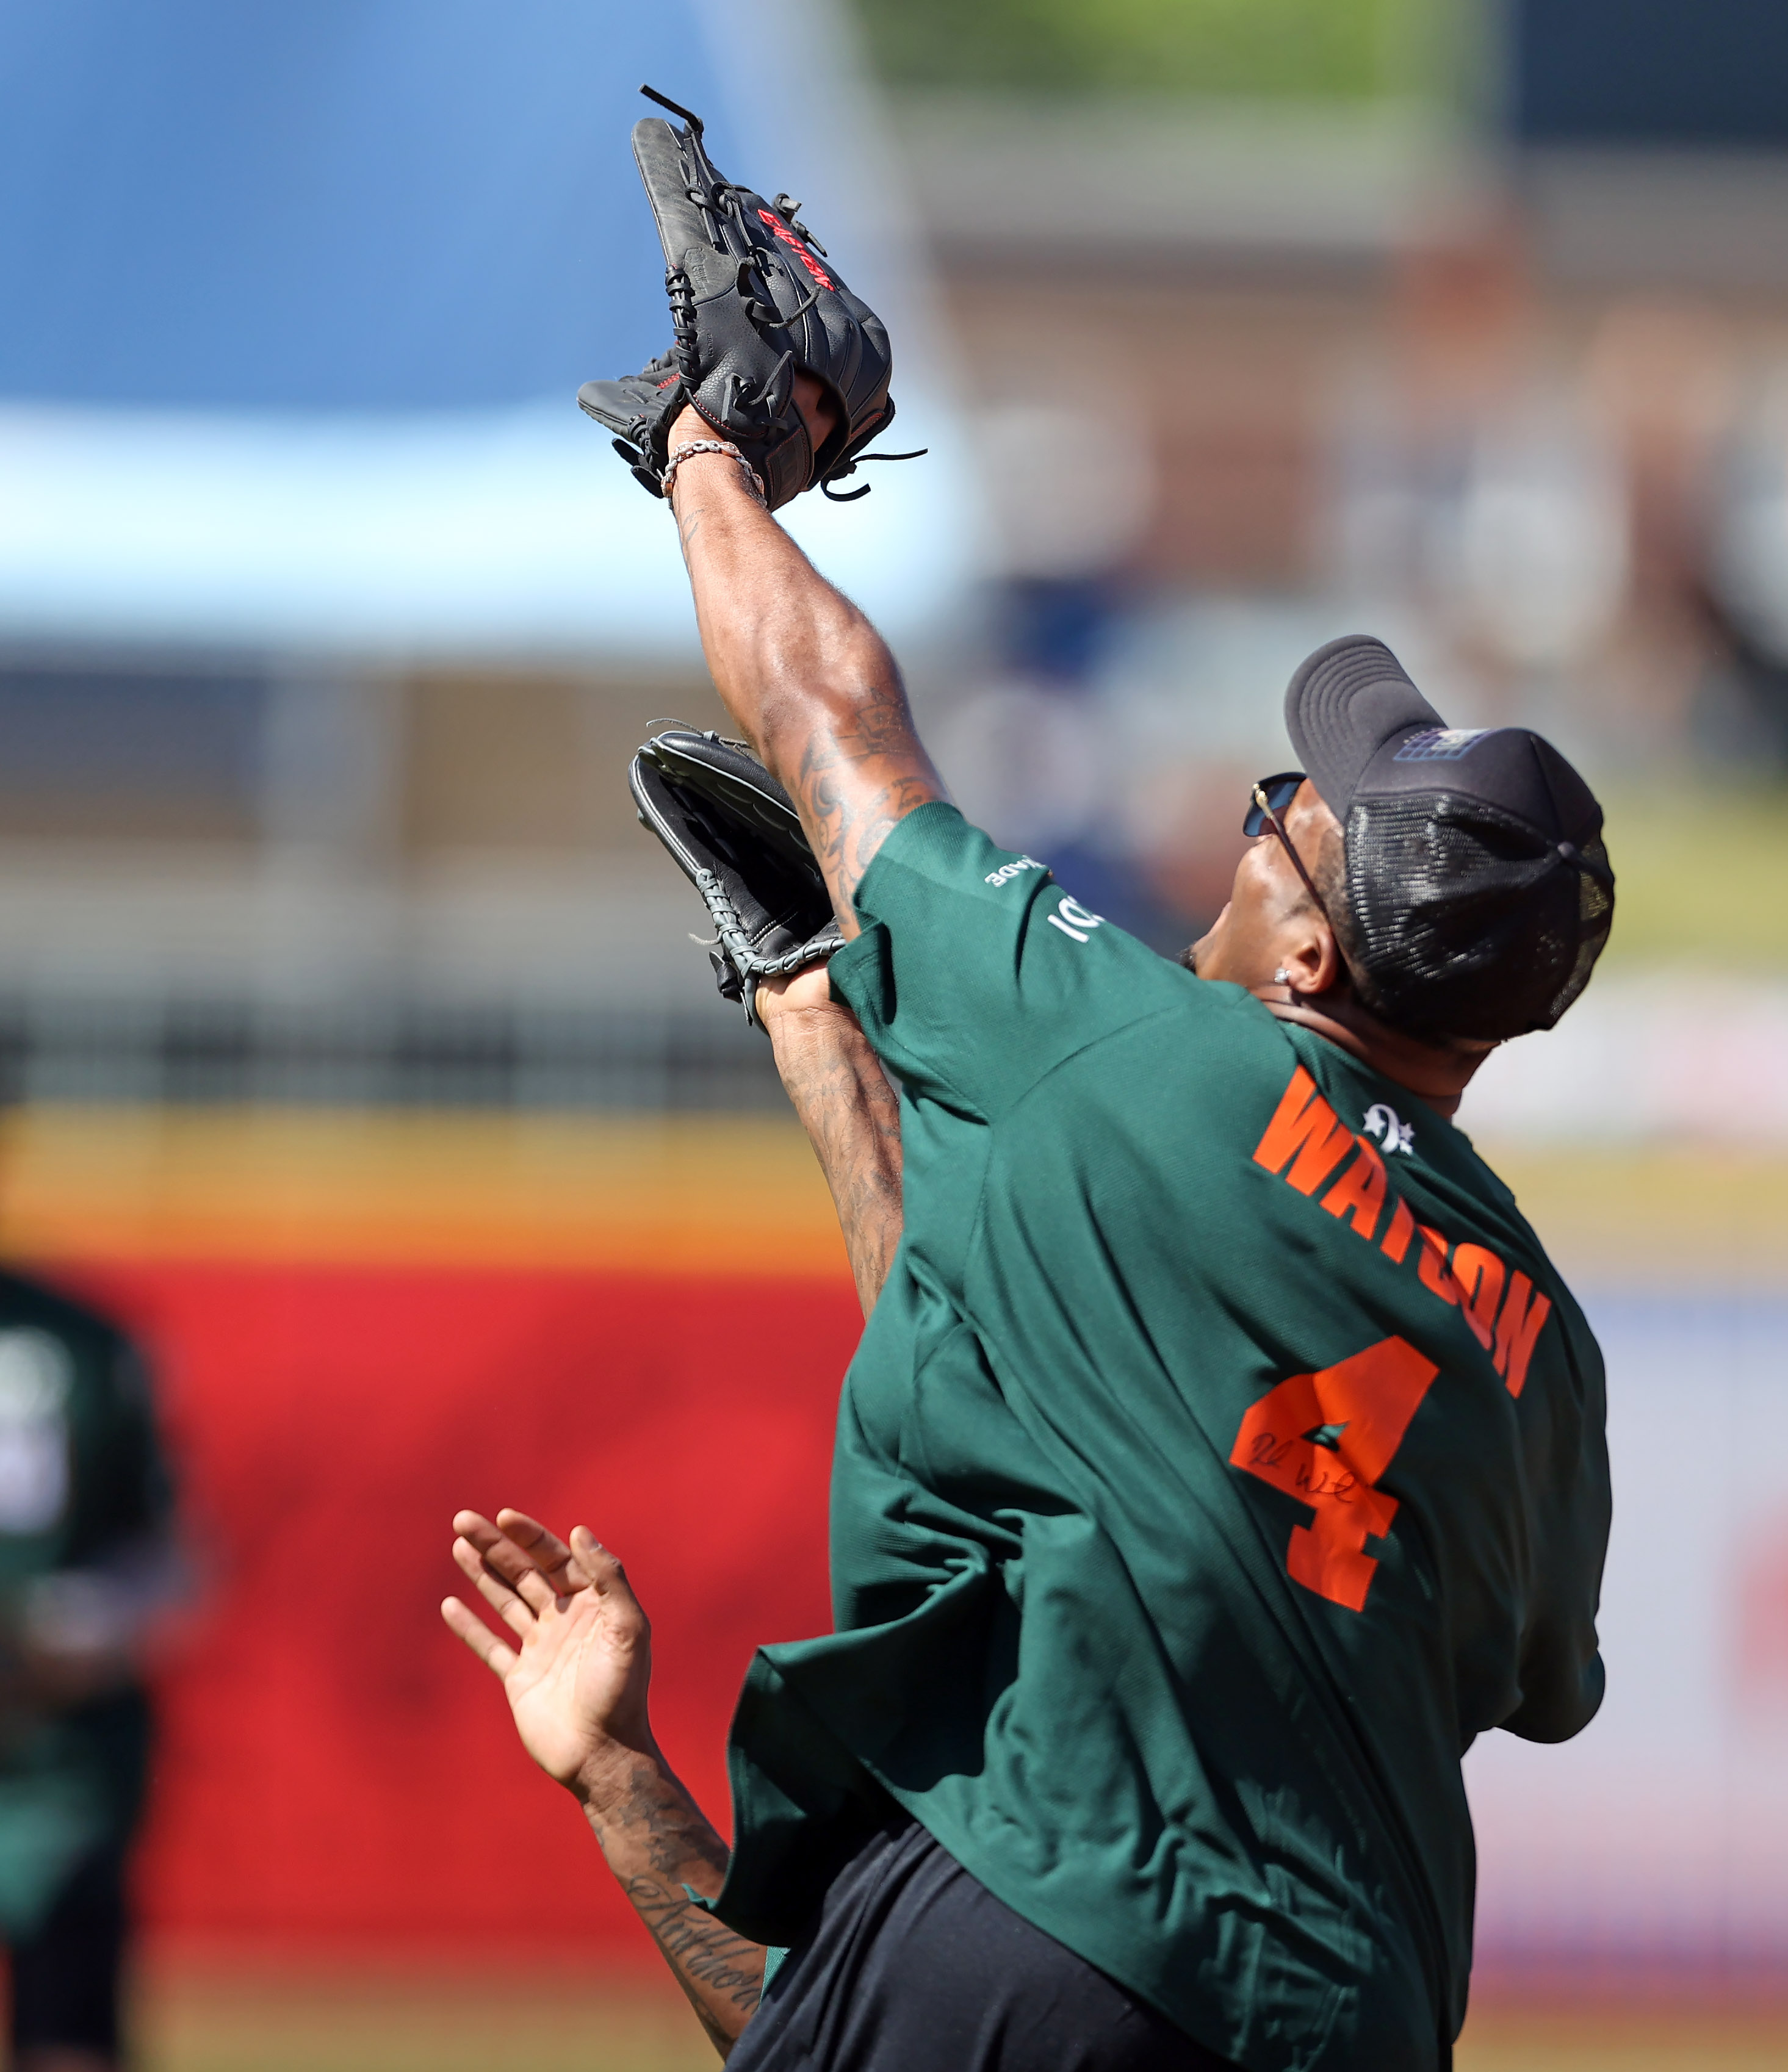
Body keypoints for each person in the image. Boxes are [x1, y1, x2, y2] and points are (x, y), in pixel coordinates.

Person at [444, 378, 1613, 2072]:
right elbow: (1540, 1681)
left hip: (1042, 1931)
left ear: (1308, 957)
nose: (1253, 817)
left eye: (1280, 819)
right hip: (1359, 2008)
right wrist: (820, 1032)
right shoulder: (1543, 1346)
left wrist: (706, 453)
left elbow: (829, 711)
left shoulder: (1152, 1053)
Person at [0, 1268, 178, 2072]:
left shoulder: (86, 1344)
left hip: (56, 1753)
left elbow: (170, 1558)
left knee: (67, 2031)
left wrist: (73, 1631)